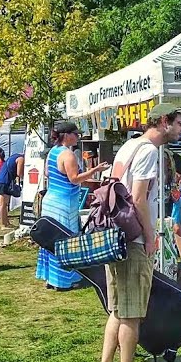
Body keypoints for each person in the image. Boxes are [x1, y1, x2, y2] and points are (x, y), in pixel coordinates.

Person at [95, 104, 181, 362]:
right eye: (179, 123)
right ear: (164, 122)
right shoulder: (148, 151)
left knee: (118, 309)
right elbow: (138, 199)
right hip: (132, 240)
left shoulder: (129, 146)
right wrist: (150, 237)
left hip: (116, 237)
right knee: (132, 313)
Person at [37, 122, 107, 290]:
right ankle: (64, 281)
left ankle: (51, 278)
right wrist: (95, 170)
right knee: (66, 241)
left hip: (51, 201)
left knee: (50, 240)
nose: (78, 137)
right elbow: (74, 179)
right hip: (64, 204)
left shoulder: (52, 152)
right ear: (67, 135)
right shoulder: (68, 155)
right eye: (76, 134)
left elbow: (47, 173)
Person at [0, 147, 24, 229]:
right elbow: (19, 173)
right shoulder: (21, 159)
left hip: (1, 180)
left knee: (4, 204)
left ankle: (6, 222)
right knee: (3, 204)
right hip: (4, 181)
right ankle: (3, 224)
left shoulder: (14, 156)